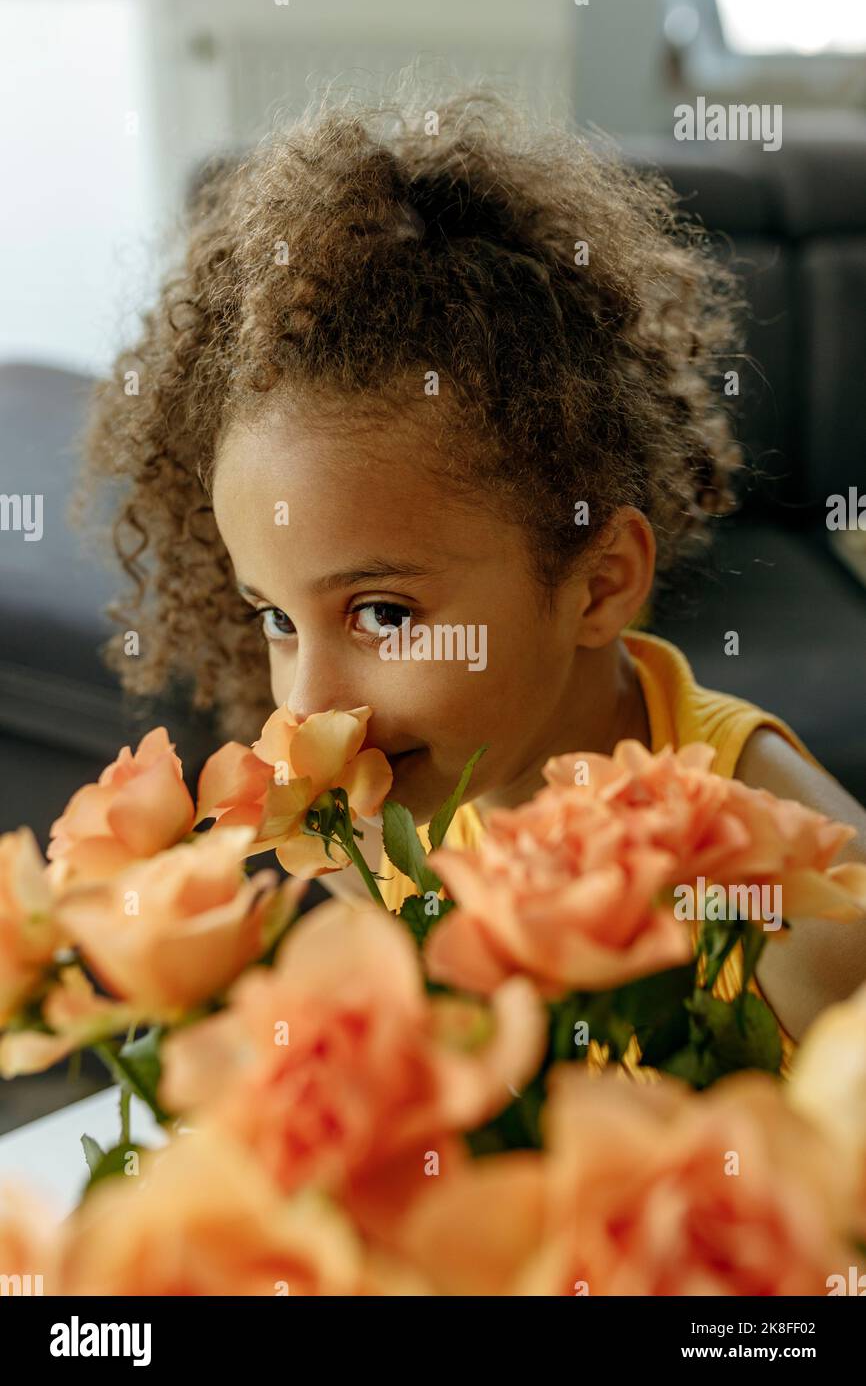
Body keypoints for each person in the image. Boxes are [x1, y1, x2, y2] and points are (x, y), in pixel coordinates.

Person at [73, 86, 866, 1080]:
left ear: (599, 581)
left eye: (382, 612)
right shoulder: (383, 835)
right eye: (277, 616)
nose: (307, 704)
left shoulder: (788, 886)